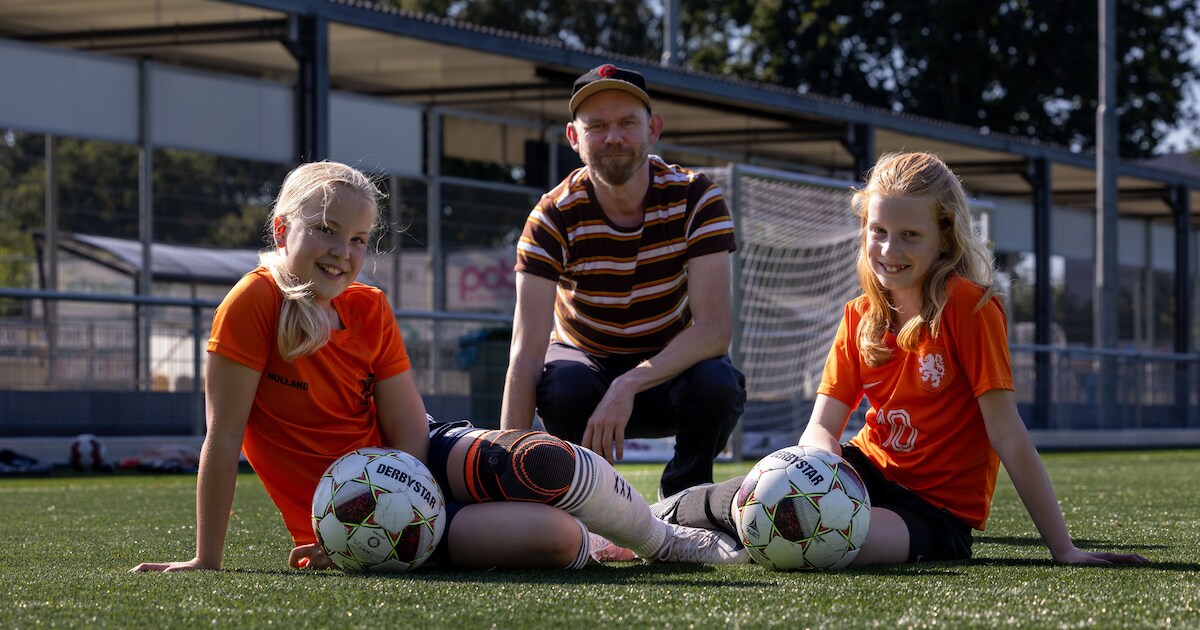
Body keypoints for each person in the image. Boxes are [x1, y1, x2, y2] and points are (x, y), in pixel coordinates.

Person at [129, 161, 745, 573]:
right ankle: (632, 531)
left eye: (359, 240)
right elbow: (223, 437)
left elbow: (408, 436)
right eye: (325, 232)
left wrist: (418, 485)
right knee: (556, 539)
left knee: (542, 460)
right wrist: (206, 562)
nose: (343, 254)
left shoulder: (369, 307)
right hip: (363, 513)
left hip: (415, 462)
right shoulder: (251, 304)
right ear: (281, 228)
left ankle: (670, 536)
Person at [649, 152, 1149, 566]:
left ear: (945, 238)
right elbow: (822, 426)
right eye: (879, 231)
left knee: (814, 544)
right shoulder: (860, 316)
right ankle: (636, 520)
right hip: (862, 473)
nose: (890, 249)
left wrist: (1064, 550)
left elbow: (1007, 434)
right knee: (754, 496)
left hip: (934, 515)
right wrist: (819, 468)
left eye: (911, 235)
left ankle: (711, 544)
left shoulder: (969, 307)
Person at [501, 64, 747, 500]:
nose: (613, 137)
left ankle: (685, 501)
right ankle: (584, 498)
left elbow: (714, 331)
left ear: (653, 130)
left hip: (668, 373)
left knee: (718, 383)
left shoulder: (696, 196)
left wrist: (628, 383)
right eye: (596, 126)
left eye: (627, 123)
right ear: (574, 139)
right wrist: (502, 473)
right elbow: (526, 350)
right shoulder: (551, 216)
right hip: (585, 369)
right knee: (562, 385)